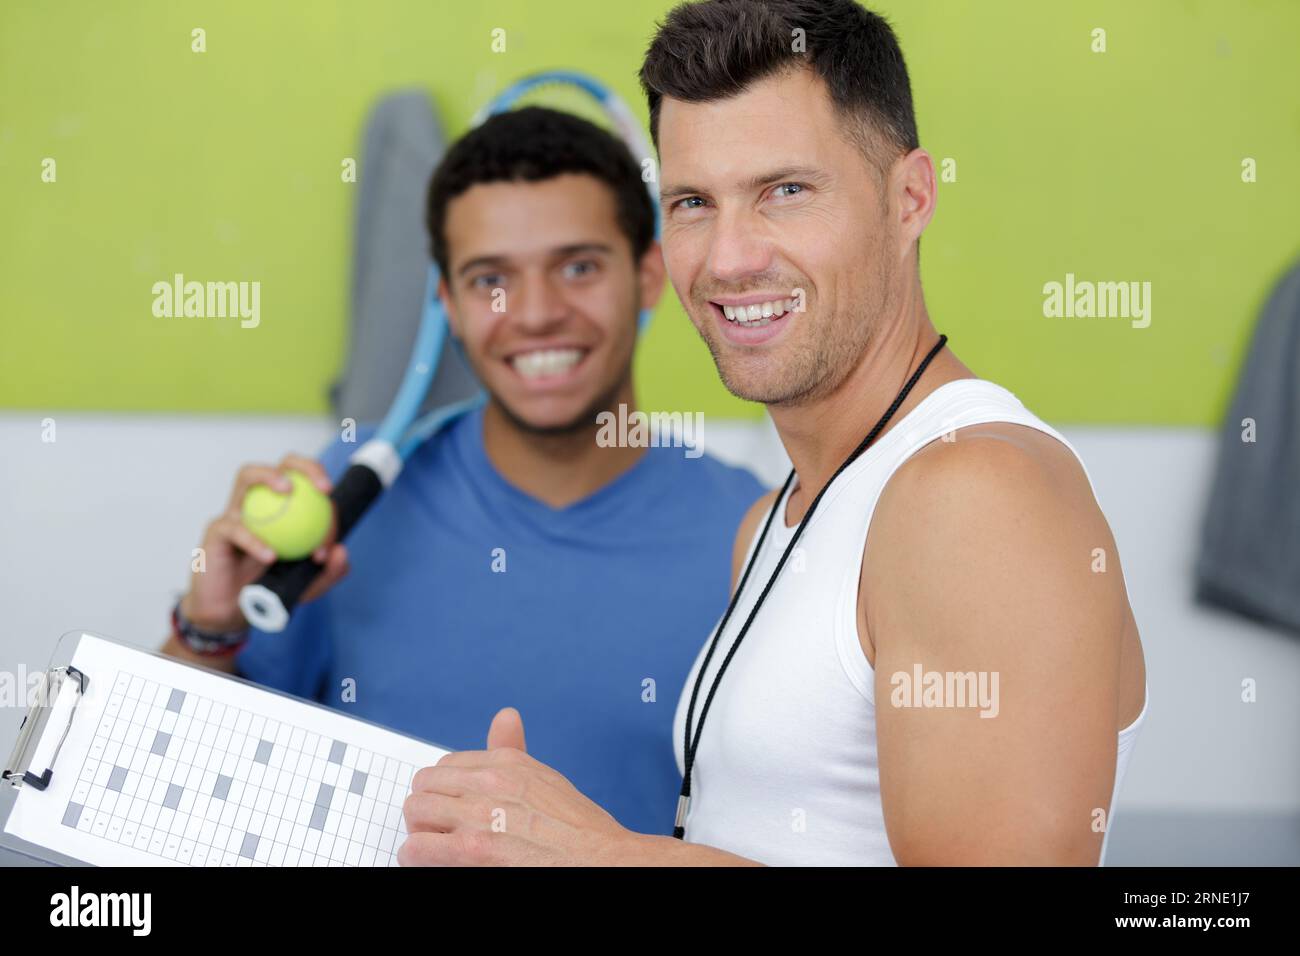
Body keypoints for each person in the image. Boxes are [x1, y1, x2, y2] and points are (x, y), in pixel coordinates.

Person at [400, 0, 1149, 866]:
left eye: (784, 191)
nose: (728, 258)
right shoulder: (771, 522)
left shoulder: (975, 495)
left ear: (910, 197)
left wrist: (604, 857)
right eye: (692, 202)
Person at [160, 106, 765, 836]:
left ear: (648, 275)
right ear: (447, 302)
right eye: (490, 280)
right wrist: (208, 628)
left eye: (578, 266)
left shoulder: (758, 538)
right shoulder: (345, 498)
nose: (535, 313)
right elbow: (179, 786)